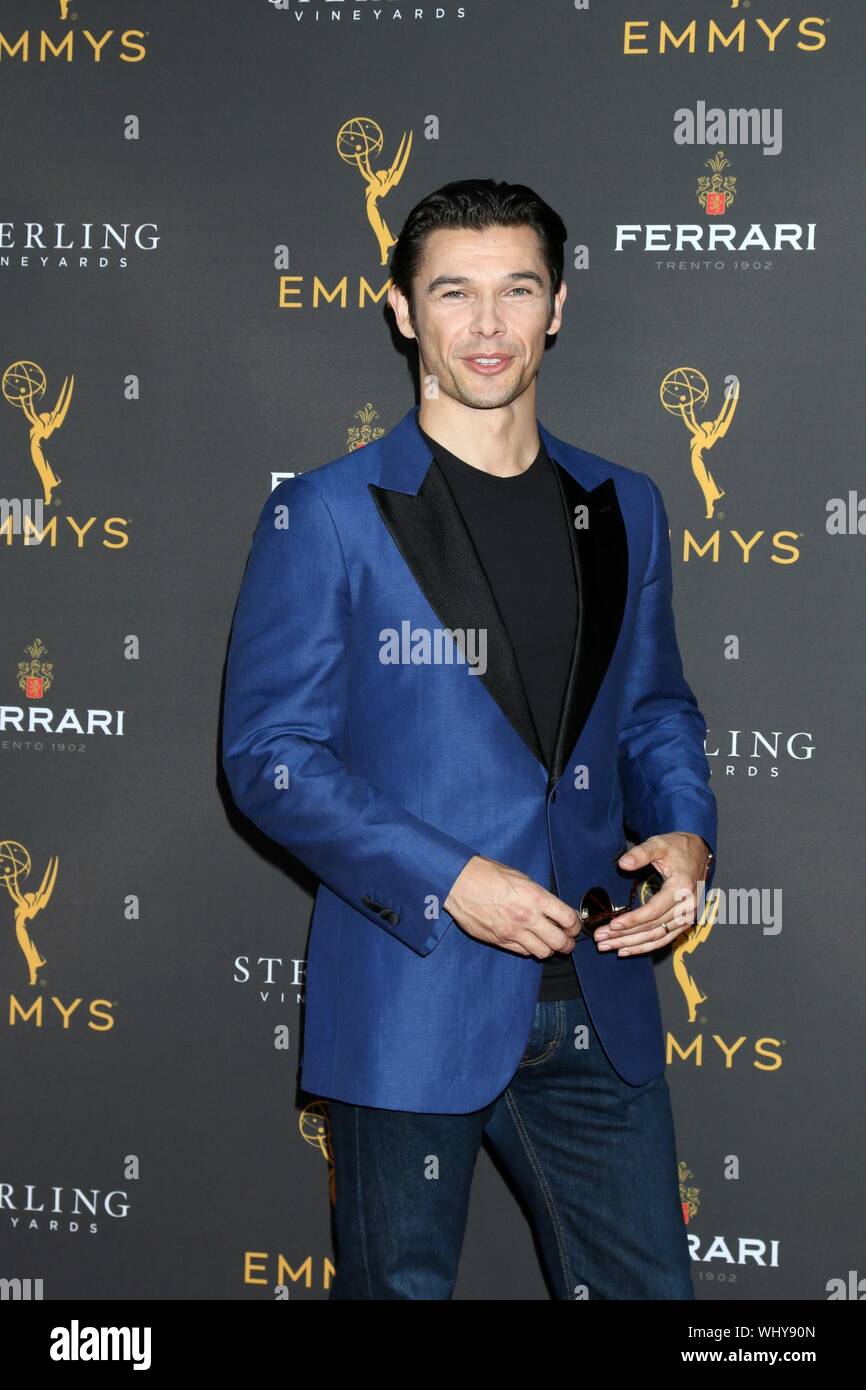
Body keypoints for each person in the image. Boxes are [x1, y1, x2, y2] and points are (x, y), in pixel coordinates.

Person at [222, 179, 718, 1300]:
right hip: (412, 999)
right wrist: (451, 879)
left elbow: (653, 710)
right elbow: (272, 755)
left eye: (515, 290)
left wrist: (683, 833)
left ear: (556, 308)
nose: (486, 325)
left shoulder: (623, 503)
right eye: (453, 291)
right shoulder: (329, 514)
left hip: (596, 1000)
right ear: (402, 309)